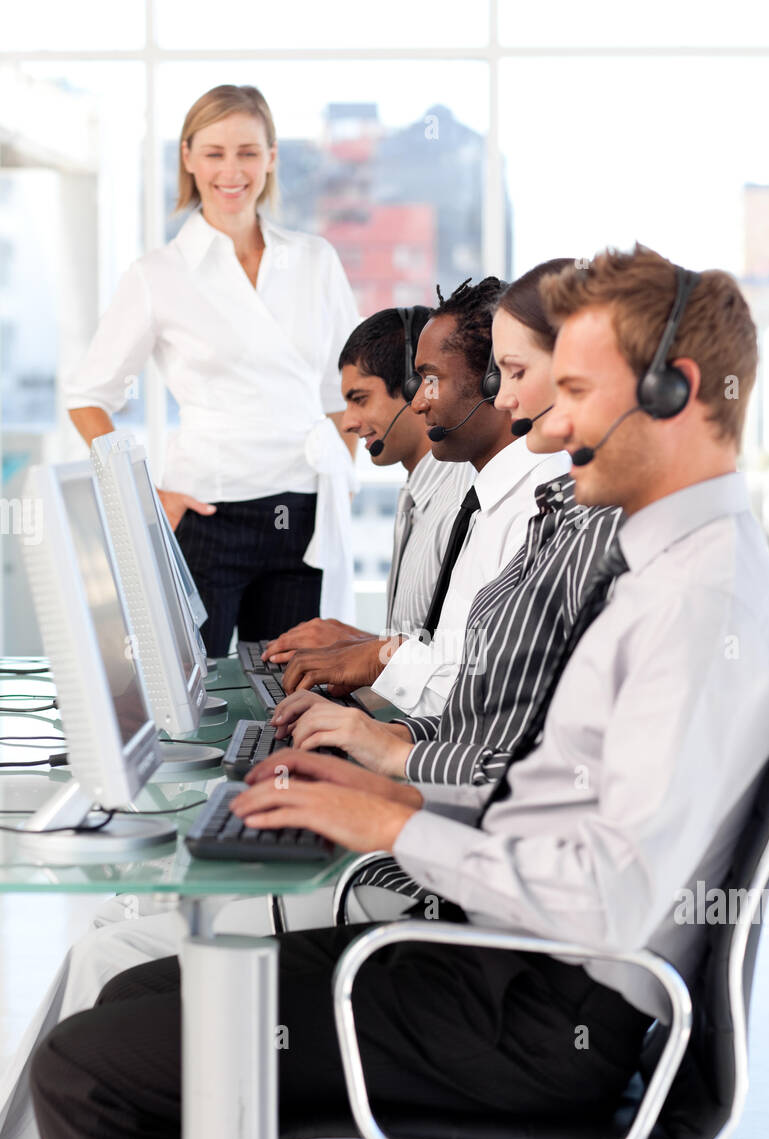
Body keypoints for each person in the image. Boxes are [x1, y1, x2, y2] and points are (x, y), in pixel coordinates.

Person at [29, 244, 769, 1139]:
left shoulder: (693, 600)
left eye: (571, 391)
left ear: (670, 392)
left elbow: (601, 892)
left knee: (91, 1069)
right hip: (515, 973)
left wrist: (390, 825)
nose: (550, 422)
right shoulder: (665, 564)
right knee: (132, 998)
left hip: (540, 1014)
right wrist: (382, 794)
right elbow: (559, 810)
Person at [65, 84, 360, 656]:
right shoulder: (159, 274)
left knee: (284, 699)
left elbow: (342, 386)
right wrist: (144, 498)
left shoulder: (315, 260)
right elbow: (87, 394)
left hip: (302, 513)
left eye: (248, 151)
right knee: (188, 697)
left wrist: (343, 476)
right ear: (188, 158)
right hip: (206, 515)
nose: (232, 170)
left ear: (271, 157)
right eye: (215, 152)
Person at [273, 277, 567, 713]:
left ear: (494, 383)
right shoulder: (482, 503)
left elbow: (497, 698)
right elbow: (456, 667)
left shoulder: (536, 509)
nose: (418, 403)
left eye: (429, 379)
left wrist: (378, 658)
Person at [261, 305, 474, 661]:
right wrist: (355, 643)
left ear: (413, 388)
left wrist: (360, 652)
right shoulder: (416, 492)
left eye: (360, 399)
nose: (348, 423)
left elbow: (462, 667)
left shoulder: (461, 502)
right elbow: (422, 647)